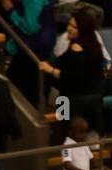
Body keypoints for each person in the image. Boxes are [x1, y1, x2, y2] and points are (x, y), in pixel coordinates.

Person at [0, 0, 58, 103]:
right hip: (43, 46)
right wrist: (19, 3)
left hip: (33, 50)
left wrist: (10, 10)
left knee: (19, 94)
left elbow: (31, 27)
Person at [43, 9, 107, 137]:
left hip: (71, 99)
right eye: (69, 25)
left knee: (66, 132)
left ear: (83, 29)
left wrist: (50, 69)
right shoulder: (95, 44)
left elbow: (70, 77)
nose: (69, 29)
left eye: (74, 27)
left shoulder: (76, 47)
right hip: (94, 98)